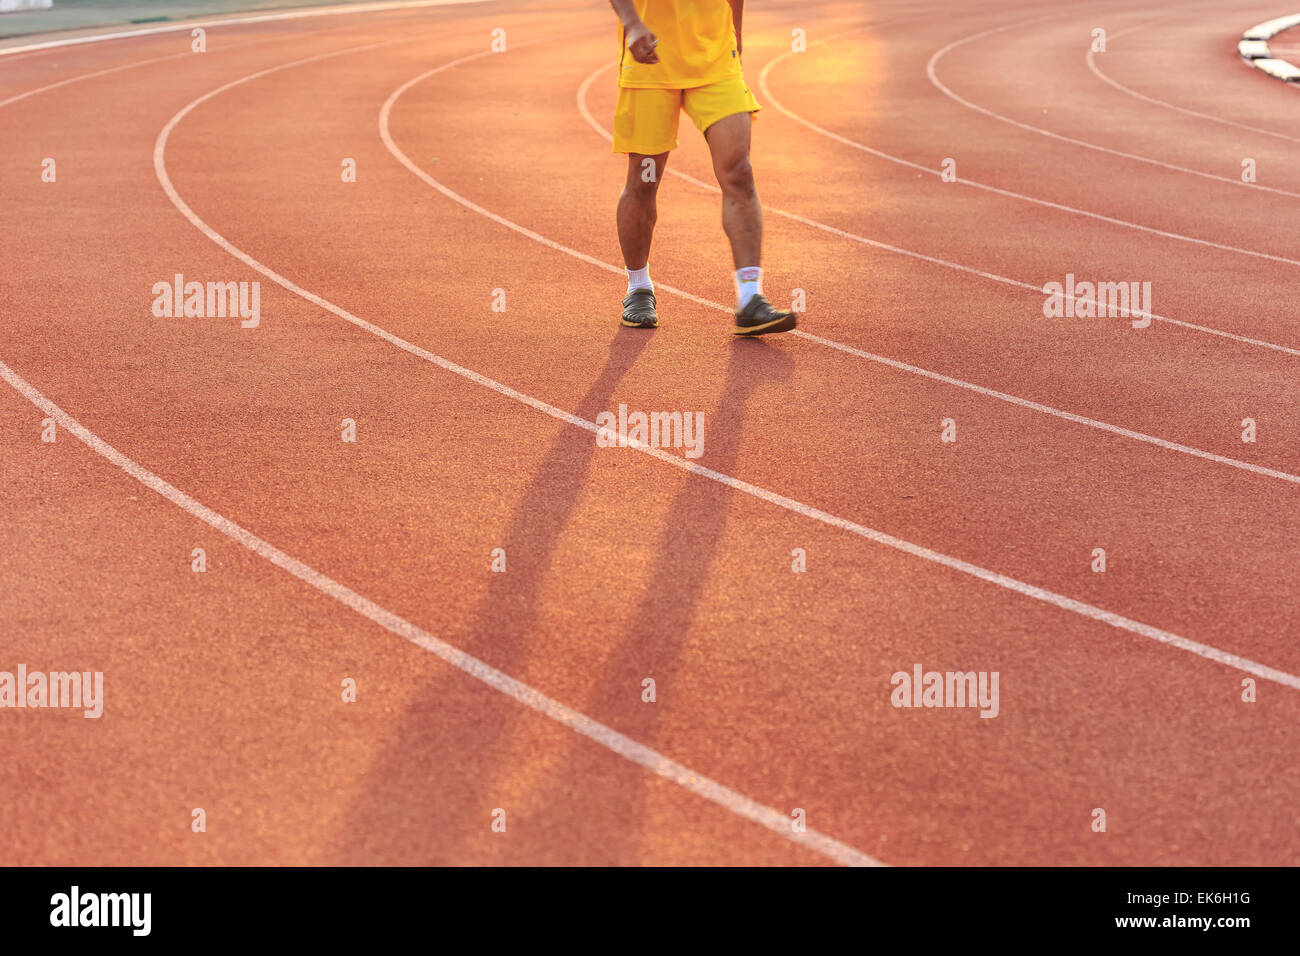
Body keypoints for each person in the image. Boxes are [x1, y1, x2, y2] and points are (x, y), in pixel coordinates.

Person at [608, 0, 797, 336]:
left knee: (738, 172)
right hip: (651, 59)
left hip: (715, 58)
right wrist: (632, 22)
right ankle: (638, 287)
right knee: (644, 180)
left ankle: (750, 298)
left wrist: (737, 36)